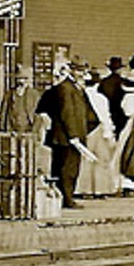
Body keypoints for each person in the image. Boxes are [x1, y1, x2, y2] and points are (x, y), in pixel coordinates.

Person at [35, 61, 99, 205]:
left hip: (71, 134)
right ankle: (66, 198)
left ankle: (64, 196)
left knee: (67, 167)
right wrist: (74, 135)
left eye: (83, 71)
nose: (82, 74)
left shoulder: (76, 88)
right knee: (67, 168)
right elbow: (67, 113)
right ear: (72, 71)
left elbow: (88, 114)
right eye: (78, 71)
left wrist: (85, 129)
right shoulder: (65, 88)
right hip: (67, 136)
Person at [76, 66, 120, 198]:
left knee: (85, 160)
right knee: (101, 160)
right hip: (99, 130)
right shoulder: (101, 98)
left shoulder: (81, 96)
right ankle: (100, 189)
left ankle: (83, 189)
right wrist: (109, 133)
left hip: (85, 130)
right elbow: (105, 117)